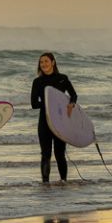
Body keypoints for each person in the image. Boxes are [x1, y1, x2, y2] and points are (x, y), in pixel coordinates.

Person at [28, 52, 77, 183]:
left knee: (60, 153)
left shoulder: (62, 78)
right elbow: (34, 104)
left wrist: (71, 104)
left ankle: (63, 181)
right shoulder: (37, 82)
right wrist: (49, 104)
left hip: (60, 121)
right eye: (41, 62)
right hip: (44, 121)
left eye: (46, 61)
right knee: (46, 154)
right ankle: (45, 183)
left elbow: (73, 95)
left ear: (53, 62)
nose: (43, 64)